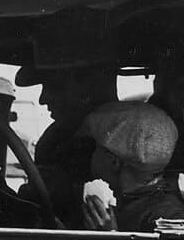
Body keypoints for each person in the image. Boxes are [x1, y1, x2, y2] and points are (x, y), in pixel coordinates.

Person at [21, 63, 117, 226]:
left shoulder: (117, 141)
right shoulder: (55, 136)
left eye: (55, 87)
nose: (43, 99)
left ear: (89, 88)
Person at [80, 102, 184, 232]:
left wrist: (110, 236)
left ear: (114, 162)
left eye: (96, 149)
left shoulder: (168, 218)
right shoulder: (121, 199)